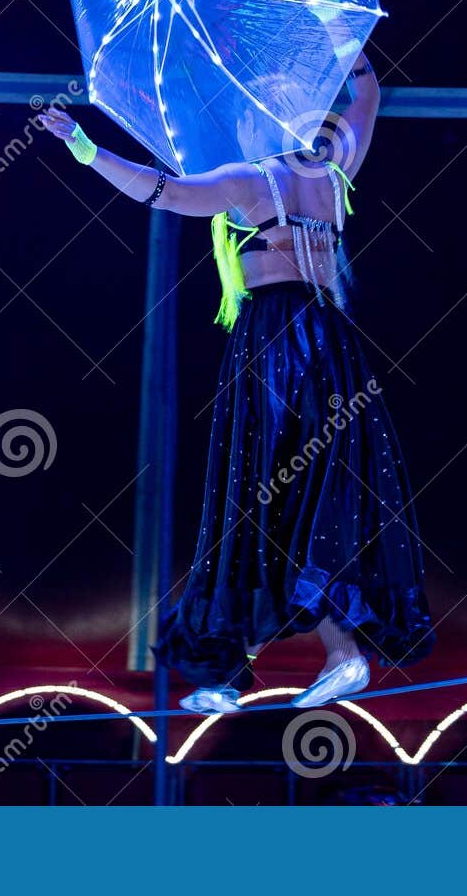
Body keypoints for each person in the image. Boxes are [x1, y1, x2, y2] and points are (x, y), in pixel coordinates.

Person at [37, 49, 433, 715]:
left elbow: (161, 192)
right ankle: (334, 653)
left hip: (276, 345)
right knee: (310, 500)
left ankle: (230, 667)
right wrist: (340, 35)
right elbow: (365, 93)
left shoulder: (255, 180)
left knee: (253, 501)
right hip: (332, 345)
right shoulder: (336, 171)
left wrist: (83, 149)